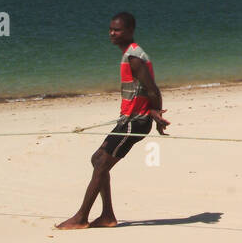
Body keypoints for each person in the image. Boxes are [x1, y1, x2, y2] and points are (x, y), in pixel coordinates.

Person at [56, 12, 169, 229]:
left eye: (117, 30)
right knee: (97, 160)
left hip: (135, 122)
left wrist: (155, 114)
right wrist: (154, 113)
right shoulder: (130, 54)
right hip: (129, 120)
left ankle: (81, 217)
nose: (112, 33)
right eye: (110, 29)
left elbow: (152, 89)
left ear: (130, 31)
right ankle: (107, 215)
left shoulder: (134, 56)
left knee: (101, 162)